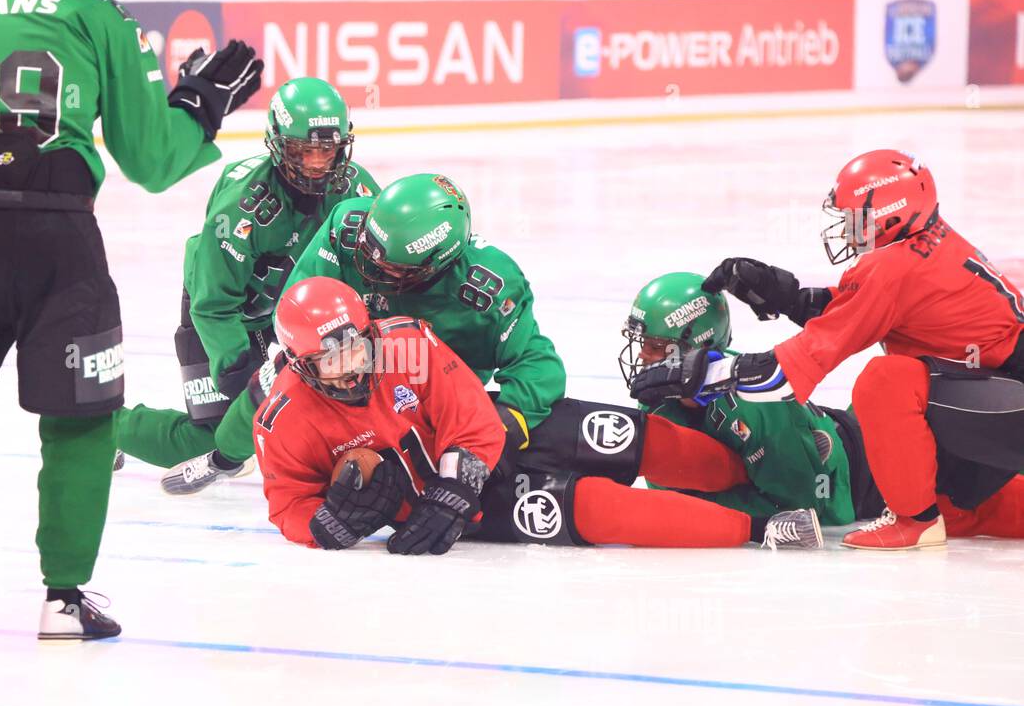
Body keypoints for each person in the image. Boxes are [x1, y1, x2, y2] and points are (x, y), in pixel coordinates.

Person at [0, 0, 262, 640]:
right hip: (59, 235)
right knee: (81, 420)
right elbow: (150, 160)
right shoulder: (100, 18)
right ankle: (63, 600)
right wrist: (200, 107)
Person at [284, 172, 766, 509]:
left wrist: (501, 427)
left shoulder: (489, 289)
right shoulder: (347, 228)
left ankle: (741, 481)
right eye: (370, 250)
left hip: (431, 411)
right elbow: (297, 315)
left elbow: (538, 365)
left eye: (391, 267)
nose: (370, 267)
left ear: (438, 265)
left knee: (580, 437)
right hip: (336, 391)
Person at [630, 150, 1024, 550]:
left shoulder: (893, 271)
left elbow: (781, 375)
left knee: (886, 383)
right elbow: (853, 309)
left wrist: (706, 373)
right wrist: (784, 296)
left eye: (855, 219)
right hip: (996, 396)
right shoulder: (921, 246)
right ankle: (938, 510)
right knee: (956, 505)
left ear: (890, 212)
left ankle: (916, 523)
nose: (848, 231)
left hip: (1005, 400)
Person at [256, 278, 824, 553]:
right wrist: (321, 528)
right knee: (600, 511)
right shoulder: (282, 420)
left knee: (635, 439)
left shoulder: (404, 341)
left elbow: (473, 414)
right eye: (331, 361)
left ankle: (771, 476)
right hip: (451, 510)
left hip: (497, 441)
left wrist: (455, 486)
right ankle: (759, 528)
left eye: (357, 347)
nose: (352, 366)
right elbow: (287, 503)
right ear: (297, 363)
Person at [115, 77, 378, 493]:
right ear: (277, 143)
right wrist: (241, 377)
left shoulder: (358, 189)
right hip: (220, 313)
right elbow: (213, 305)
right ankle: (104, 427)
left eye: (325, 149)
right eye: (301, 150)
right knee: (218, 436)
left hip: (293, 316)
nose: (315, 163)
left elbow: (375, 263)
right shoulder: (242, 207)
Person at [621, 271, 885, 524]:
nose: (643, 356)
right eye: (641, 342)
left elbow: (802, 508)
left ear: (697, 346)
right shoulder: (658, 392)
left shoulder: (754, 405)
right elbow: (666, 484)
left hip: (866, 477)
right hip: (812, 442)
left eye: (655, 346)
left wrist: (698, 503)